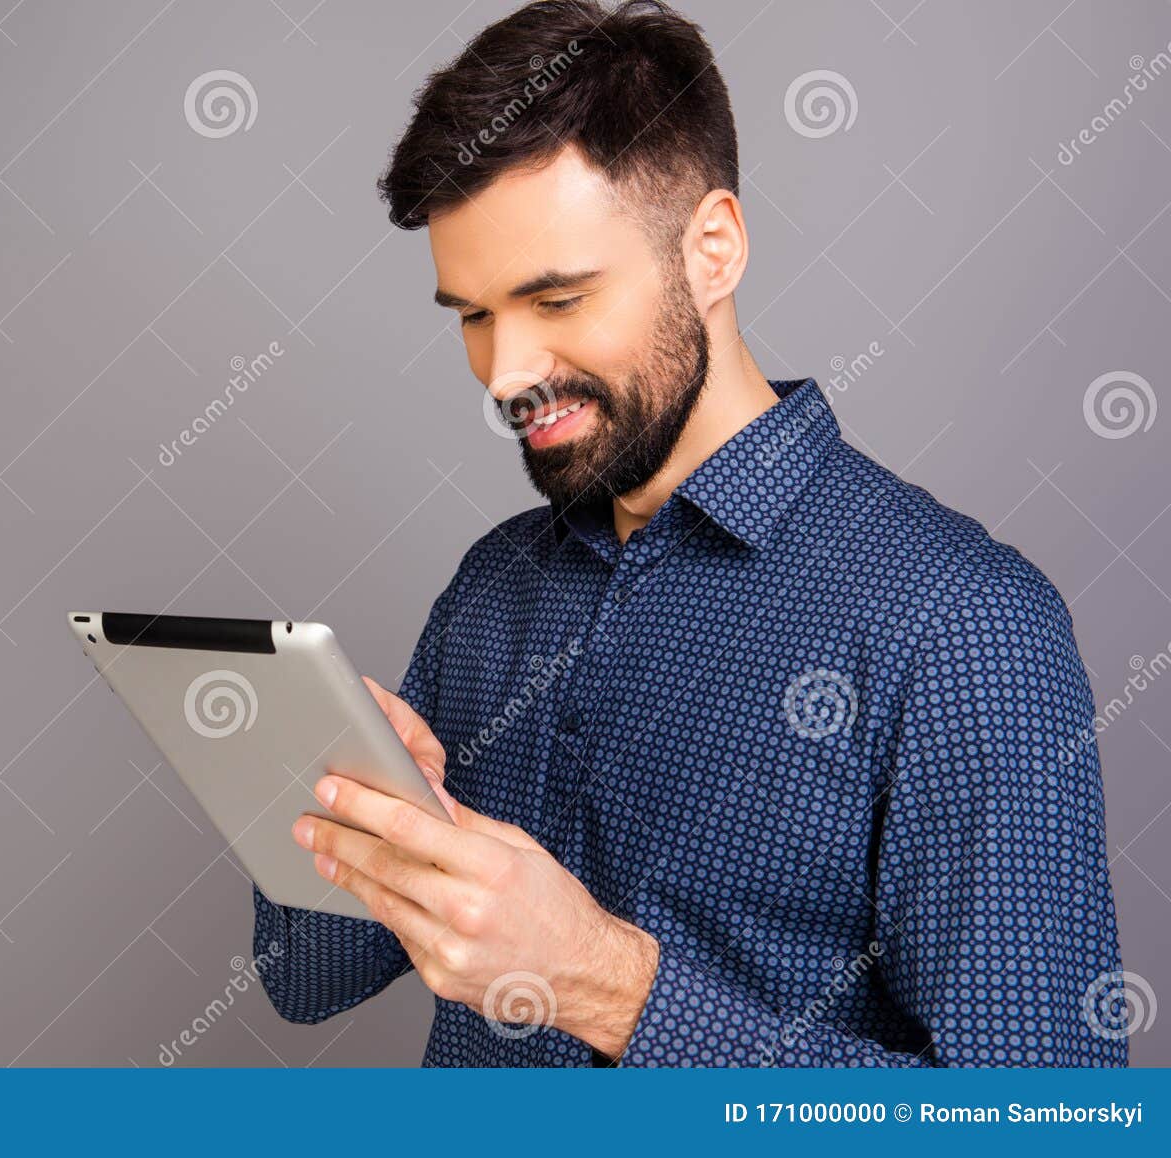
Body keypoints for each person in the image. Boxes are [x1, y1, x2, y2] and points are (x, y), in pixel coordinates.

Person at [253, 0, 1125, 1067]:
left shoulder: (960, 624)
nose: (505, 373)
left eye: (557, 298)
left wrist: (608, 989)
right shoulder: (493, 587)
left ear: (711, 248)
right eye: (473, 315)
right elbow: (307, 981)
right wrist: (335, 787)